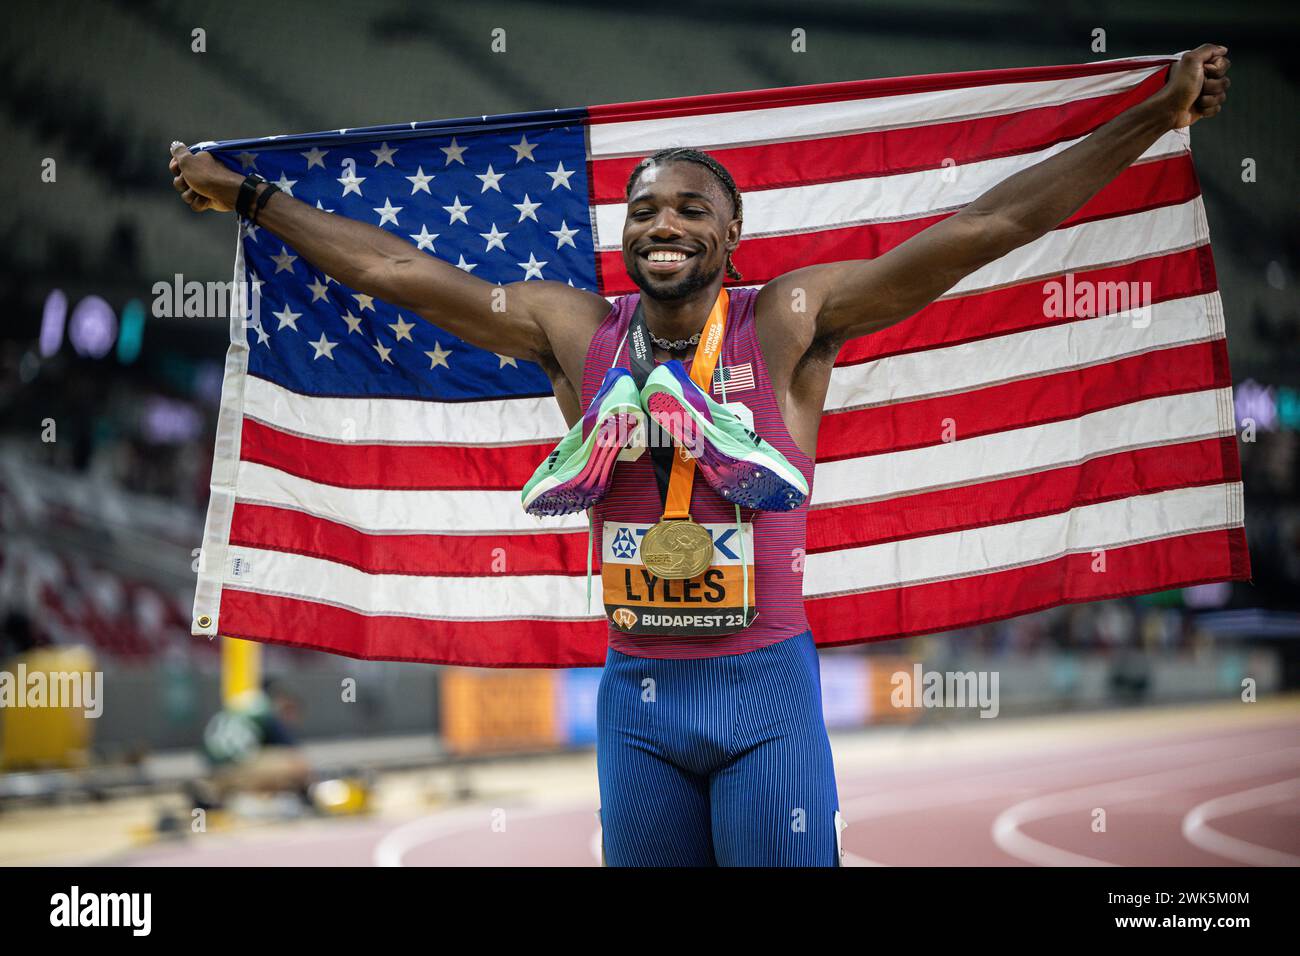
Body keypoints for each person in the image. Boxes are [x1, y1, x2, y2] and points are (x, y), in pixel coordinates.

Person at [169, 46, 1229, 865]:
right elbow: (397, 268)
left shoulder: (789, 321)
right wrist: (254, 200)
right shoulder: (573, 329)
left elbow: (984, 226)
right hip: (636, 705)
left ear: (732, 231)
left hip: (764, 697)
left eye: (688, 208)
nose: (660, 223)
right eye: (642, 210)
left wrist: (1151, 114)